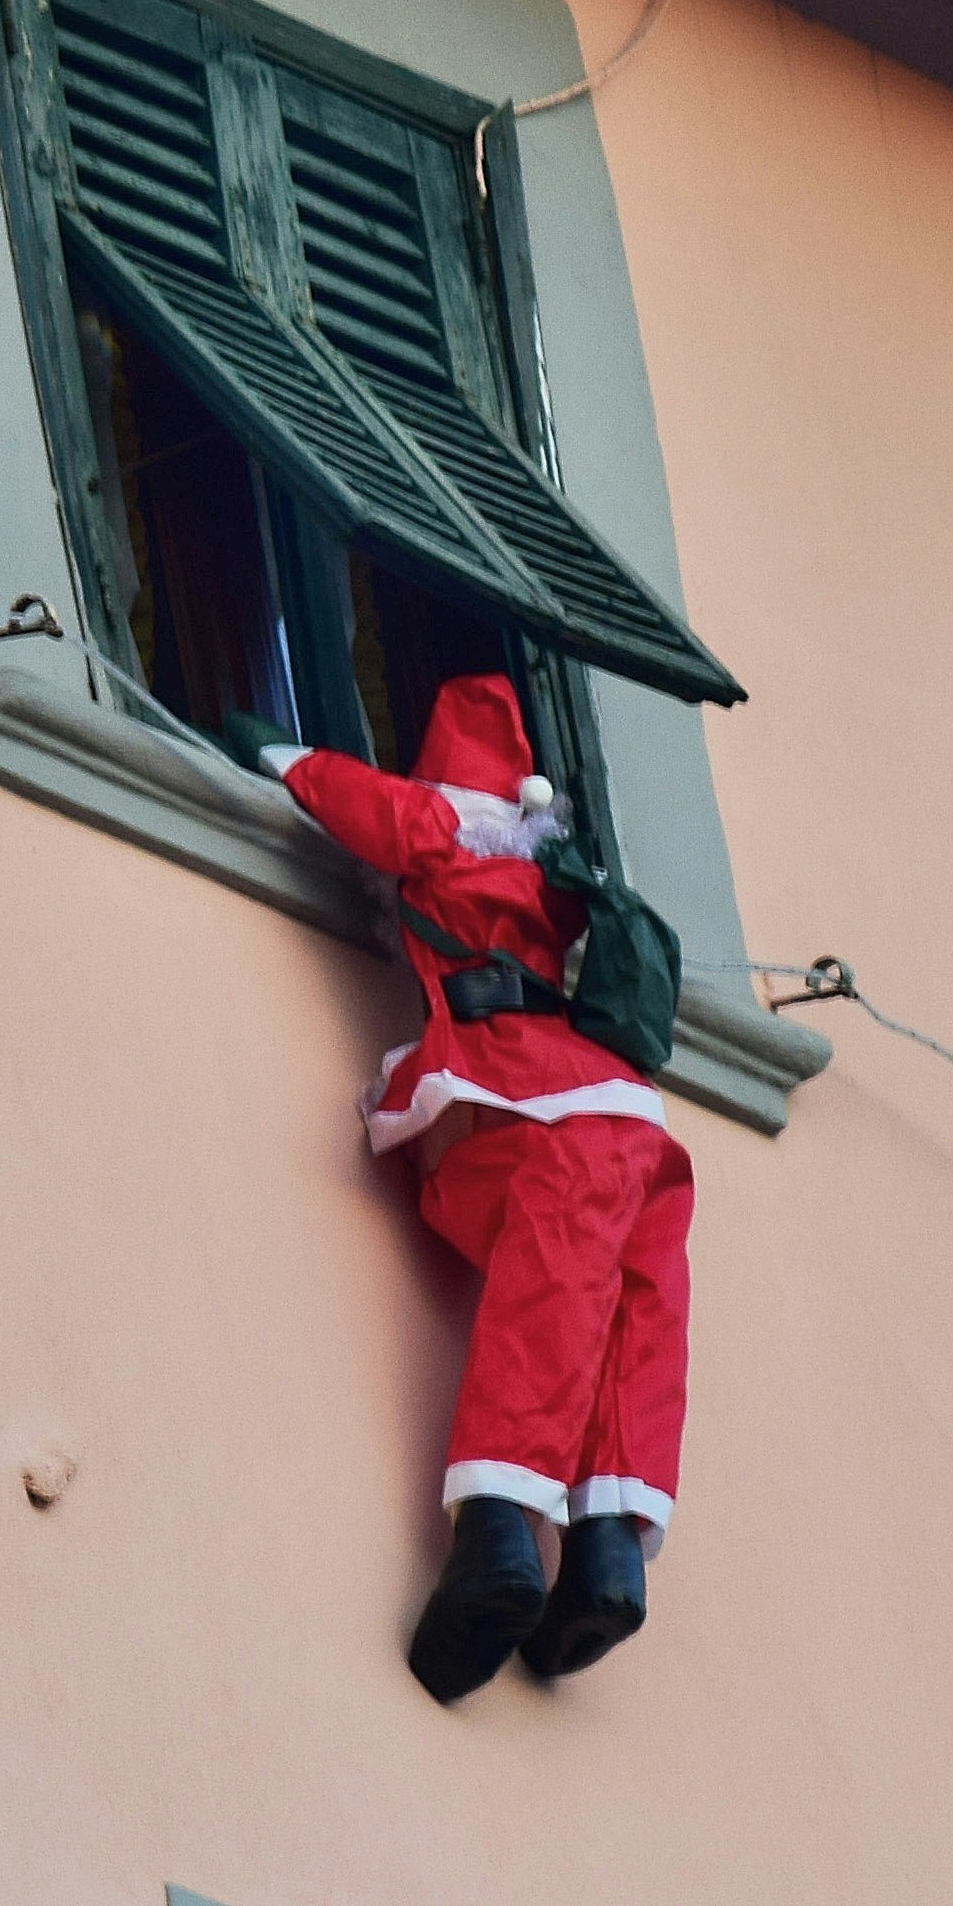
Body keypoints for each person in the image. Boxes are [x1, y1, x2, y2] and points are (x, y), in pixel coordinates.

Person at [236, 674, 689, 1702]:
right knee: (635, 1298)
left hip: (516, 1090)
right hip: (631, 1109)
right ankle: (608, 1547)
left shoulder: (446, 827)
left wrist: (278, 752)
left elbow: (370, 808)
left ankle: (499, 1530)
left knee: (555, 1282)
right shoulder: (559, 877)